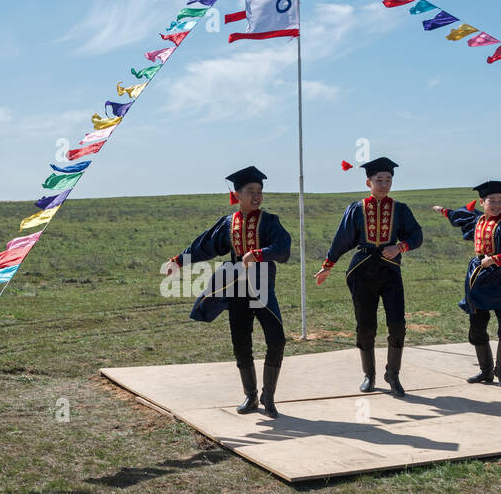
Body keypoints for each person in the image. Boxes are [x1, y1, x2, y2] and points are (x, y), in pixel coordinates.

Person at [163, 166, 291, 416]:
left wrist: (260, 253)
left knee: (277, 339)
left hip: (263, 285)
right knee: (241, 342)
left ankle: (269, 396)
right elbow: (205, 246)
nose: (256, 196)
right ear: (237, 194)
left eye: (259, 192)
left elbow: (283, 248)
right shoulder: (228, 223)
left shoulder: (270, 221)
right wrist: (179, 260)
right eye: (250, 191)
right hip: (236, 287)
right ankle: (251, 397)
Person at [315, 157, 423, 396]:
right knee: (366, 326)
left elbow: (417, 235)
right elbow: (341, 239)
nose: (384, 185)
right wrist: (328, 265)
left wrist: (400, 247)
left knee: (397, 324)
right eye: (379, 180)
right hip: (362, 270)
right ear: (368, 182)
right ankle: (369, 374)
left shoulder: (400, 209)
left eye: (388, 180)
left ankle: (392, 374)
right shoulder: (357, 209)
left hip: (390, 269)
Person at [433, 181, 501, 389]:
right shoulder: (477, 221)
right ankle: (486, 371)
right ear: (482, 202)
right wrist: (444, 211)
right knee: (477, 325)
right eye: (492, 200)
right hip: (479, 275)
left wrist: (496, 259)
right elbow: (460, 216)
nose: (497, 204)